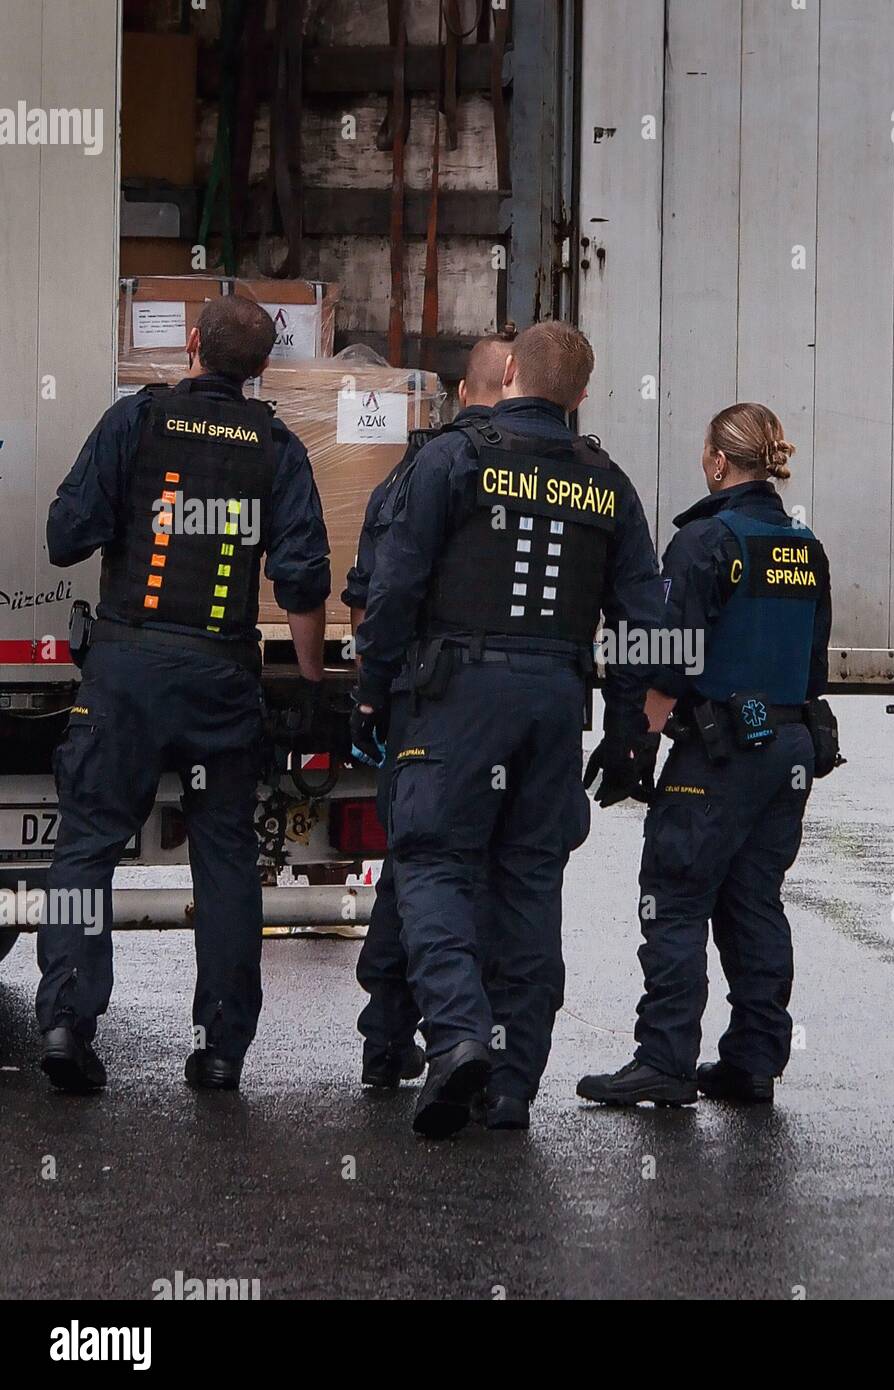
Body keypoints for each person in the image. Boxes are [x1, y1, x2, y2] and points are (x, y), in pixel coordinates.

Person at [353, 321, 664, 1137]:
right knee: (530, 883)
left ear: (512, 371)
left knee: (433, 864)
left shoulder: (452, 460)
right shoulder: (607, 482)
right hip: (556, 702)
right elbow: (646, 623)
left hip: (456, 694)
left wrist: (371, 688)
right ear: (583, 393)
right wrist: (632, 731)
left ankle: (456, 1036)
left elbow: (394, 586)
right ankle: (512, 1085)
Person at [37, 297, 330, 1093]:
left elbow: (68, 536)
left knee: (88, 848)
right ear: (262, 367)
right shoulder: (277, 446)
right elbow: (302, 577)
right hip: (220, 680)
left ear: (192, 344)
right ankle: (223, 1049)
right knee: (226, 862)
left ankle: (67, 1020)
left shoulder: (135, 423)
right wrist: (308, 681)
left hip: (127, 671)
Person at [577, 402, 834, 1108]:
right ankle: (753, 1061)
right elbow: (813, 671)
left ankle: (664, 1059)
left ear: (719, 462)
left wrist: (632, 741)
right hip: (788, 752)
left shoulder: (704, 542)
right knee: (755, 904)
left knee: (677, 900)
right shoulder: (804, 546)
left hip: (717, 755)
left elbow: (667, 659)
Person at [345, 330, 516, 1089]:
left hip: (428, 705)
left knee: (416, 871)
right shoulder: (562, 474)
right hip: (504, 712)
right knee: (466, 878)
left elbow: (370, 595)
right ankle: (473, 1046)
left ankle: (391, 1037)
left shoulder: (417, 474)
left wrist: (372, 695)